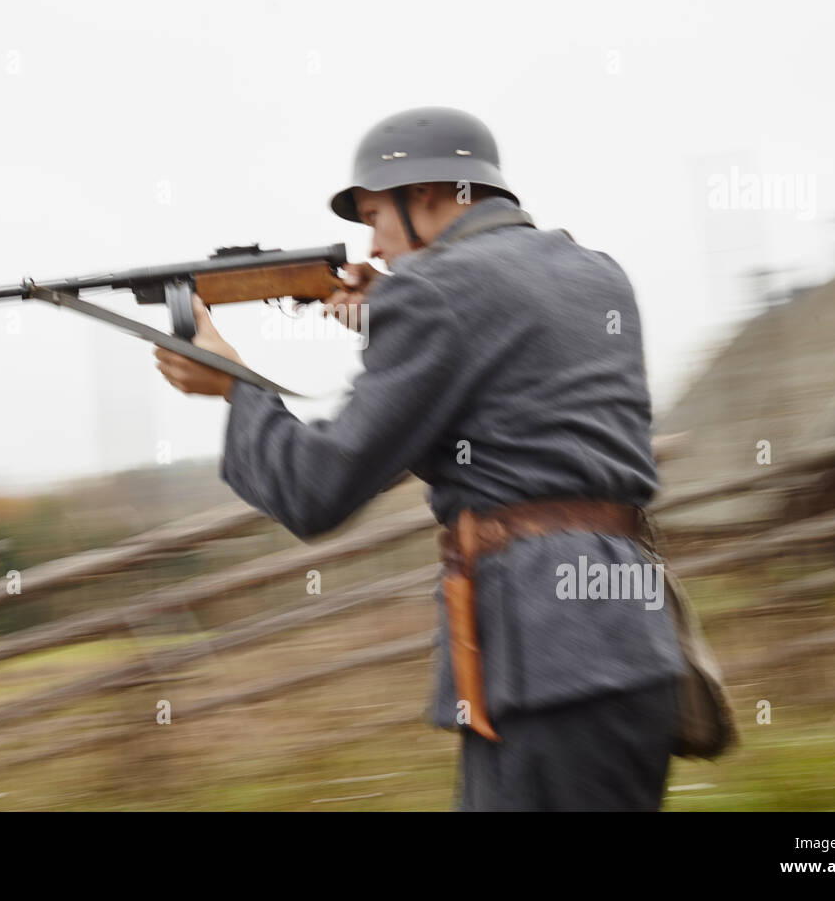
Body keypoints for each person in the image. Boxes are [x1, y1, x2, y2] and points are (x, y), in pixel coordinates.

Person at [153, 105, 684, 811]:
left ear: (428, 195)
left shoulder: (433, 293)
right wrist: (391, 313)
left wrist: (237, 387)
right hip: (631, 642)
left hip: (545, 663)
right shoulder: (597, 274)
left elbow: (316, 490)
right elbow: (515, 393)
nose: (372, 242)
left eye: (374, 216)